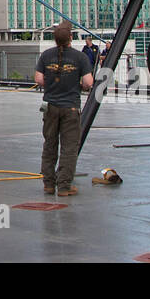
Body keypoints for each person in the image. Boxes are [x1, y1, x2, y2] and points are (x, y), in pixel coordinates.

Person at [34, 21, 93, 196]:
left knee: (49, 144)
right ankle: (64, 185)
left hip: (50, 106)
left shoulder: (46, 55)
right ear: (71, 38)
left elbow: (38, 79)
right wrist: (79, 85)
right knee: (69, 147)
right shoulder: (80, 57)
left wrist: (52, 85)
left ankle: (49, 184)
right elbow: (88, 82)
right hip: (71, 108)